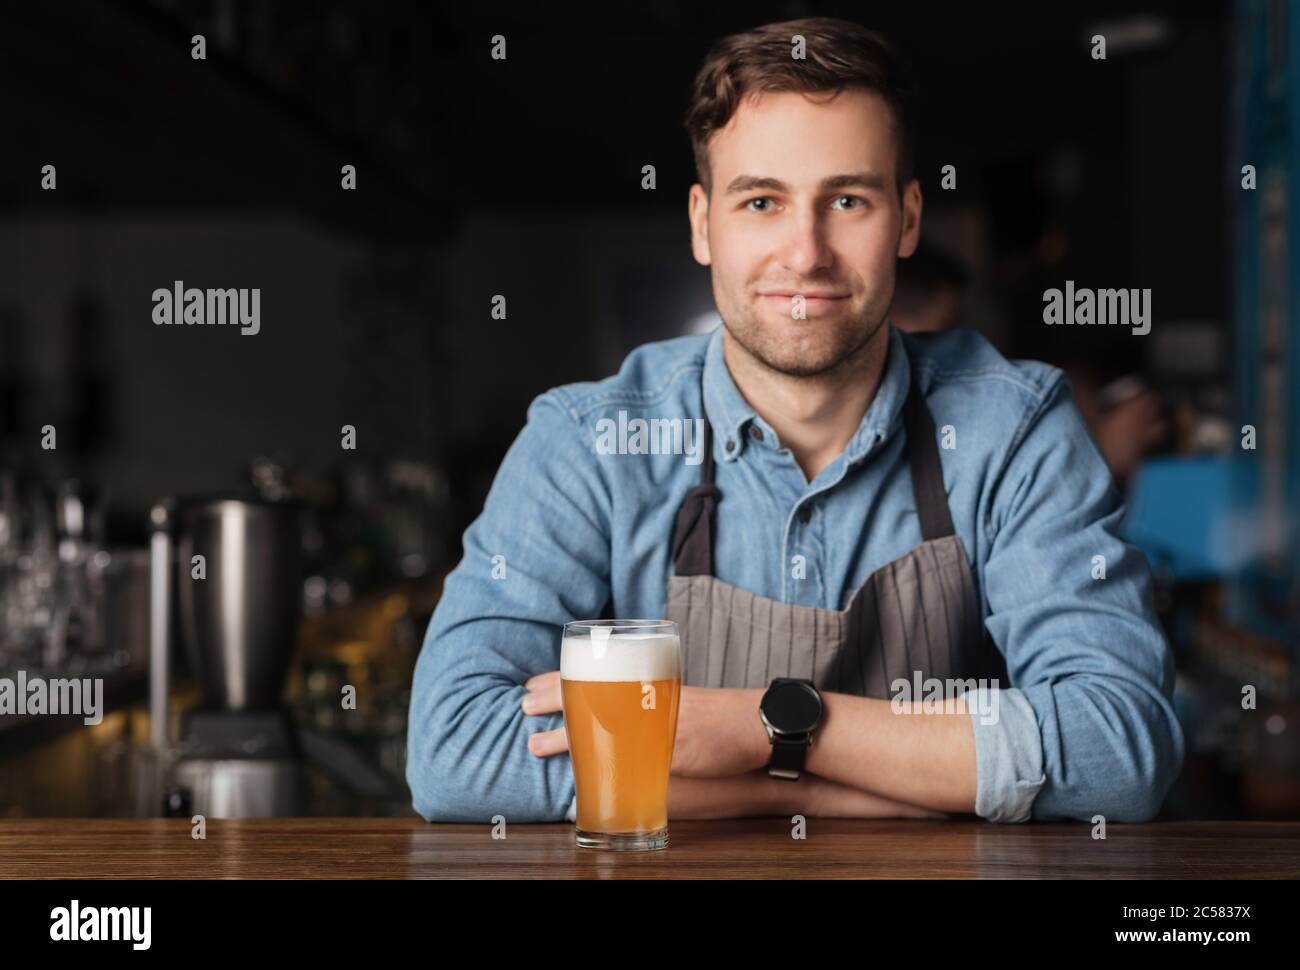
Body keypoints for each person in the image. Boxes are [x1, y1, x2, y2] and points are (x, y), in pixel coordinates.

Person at [406, 16, 1183, 824]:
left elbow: (1118, 748)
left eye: (847, 199)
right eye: (762, 201)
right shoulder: (587, 442)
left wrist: (757, 728)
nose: (805, 252)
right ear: (704, 223)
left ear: (908, 218)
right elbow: (454, 750)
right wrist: (845, 785)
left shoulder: (1014, 428)